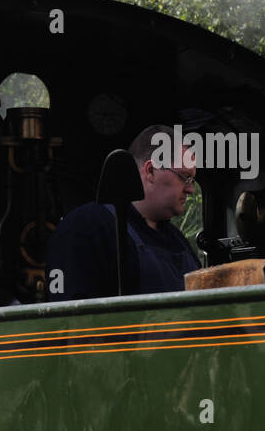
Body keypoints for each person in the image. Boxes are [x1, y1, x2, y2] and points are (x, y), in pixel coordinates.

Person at [47, 124, 201, 300]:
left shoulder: (177, 239)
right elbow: (70, 319)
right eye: (184, 177)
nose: (190, 189)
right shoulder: (84, 229)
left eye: (192, 179)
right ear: (151, 171)